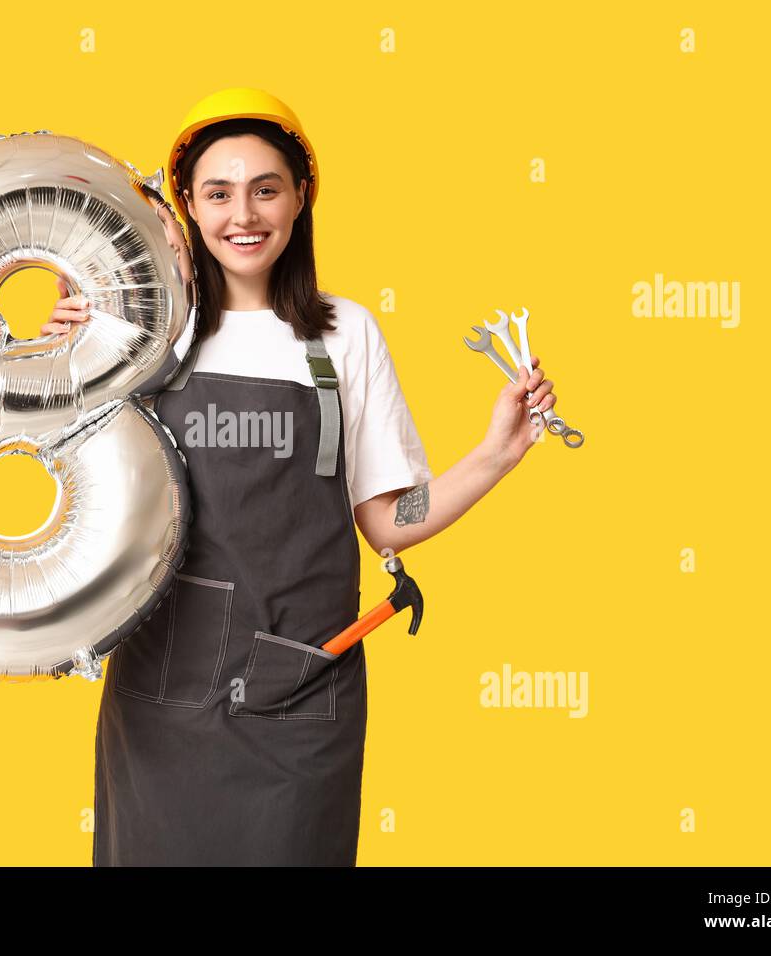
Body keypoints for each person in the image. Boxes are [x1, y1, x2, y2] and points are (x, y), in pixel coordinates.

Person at [41, 88, 556, 866]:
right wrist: (62, 361)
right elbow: (62, 484)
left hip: (303, 689)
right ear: (186, 203)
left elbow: (387, 518)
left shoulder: (344, 334)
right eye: (218, 193)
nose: (242, 215)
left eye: (265, 189)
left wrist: (495, 454)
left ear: (300, 196)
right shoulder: (142, 336)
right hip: (162, 696)